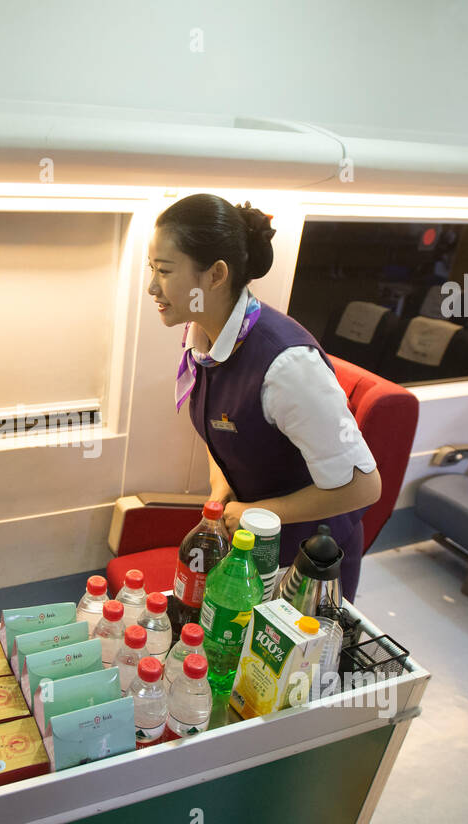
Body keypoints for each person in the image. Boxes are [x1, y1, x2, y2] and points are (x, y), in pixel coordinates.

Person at [149, 194, 382, 599]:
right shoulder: (205, 341)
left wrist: (260, 512)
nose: (152, 286)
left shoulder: (288, 365)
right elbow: (221, 432)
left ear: (216, 275)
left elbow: (365, 487)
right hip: (250, 547)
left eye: (165, 271)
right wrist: (220, 487)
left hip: (306, 561)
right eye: (151, 269)